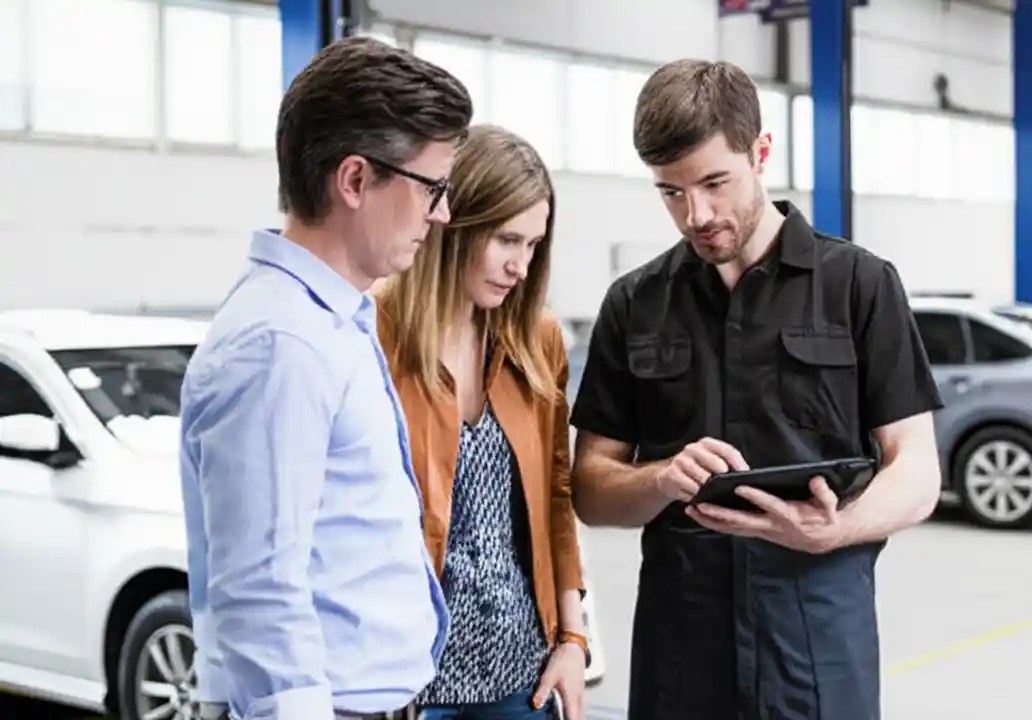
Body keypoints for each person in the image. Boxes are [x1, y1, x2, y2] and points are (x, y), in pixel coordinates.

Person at [568, 58, 944, 720]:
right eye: (671, 192)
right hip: (680, 649)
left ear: (761, 151)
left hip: (818, 643)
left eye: (715, 182)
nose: (696, 214)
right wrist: (660, 479)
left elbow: (917, 469)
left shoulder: (859, 286)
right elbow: (593, 488)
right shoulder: (634, 304)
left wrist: (834, 530)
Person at [179, 37, 472, 720]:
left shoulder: (333, 321)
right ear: (355, 180)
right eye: (432, 188)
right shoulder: (282, 345)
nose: (443, 214)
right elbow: (259, 590)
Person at [374, 125, 589, 720]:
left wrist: (572, 641)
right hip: (413, 684)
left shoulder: (535, 339)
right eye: (507, 241)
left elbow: (556, 498)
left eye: (533, 246)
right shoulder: (374, 333)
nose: (521, 266)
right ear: (453, 222)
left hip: (524, 678)